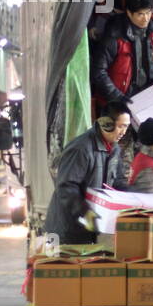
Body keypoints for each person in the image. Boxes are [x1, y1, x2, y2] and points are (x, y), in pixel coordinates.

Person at [44, 102, 130, 245]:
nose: (124, 132)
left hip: (86, 230)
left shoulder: (114, 149)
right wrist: (84, 212)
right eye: (121, 126)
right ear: (106, 124)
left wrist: (136, 198)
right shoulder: (81, 148)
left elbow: (118, 181)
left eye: (126, 127)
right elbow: (66, 186)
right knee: (60, 267)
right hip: (64, 230)